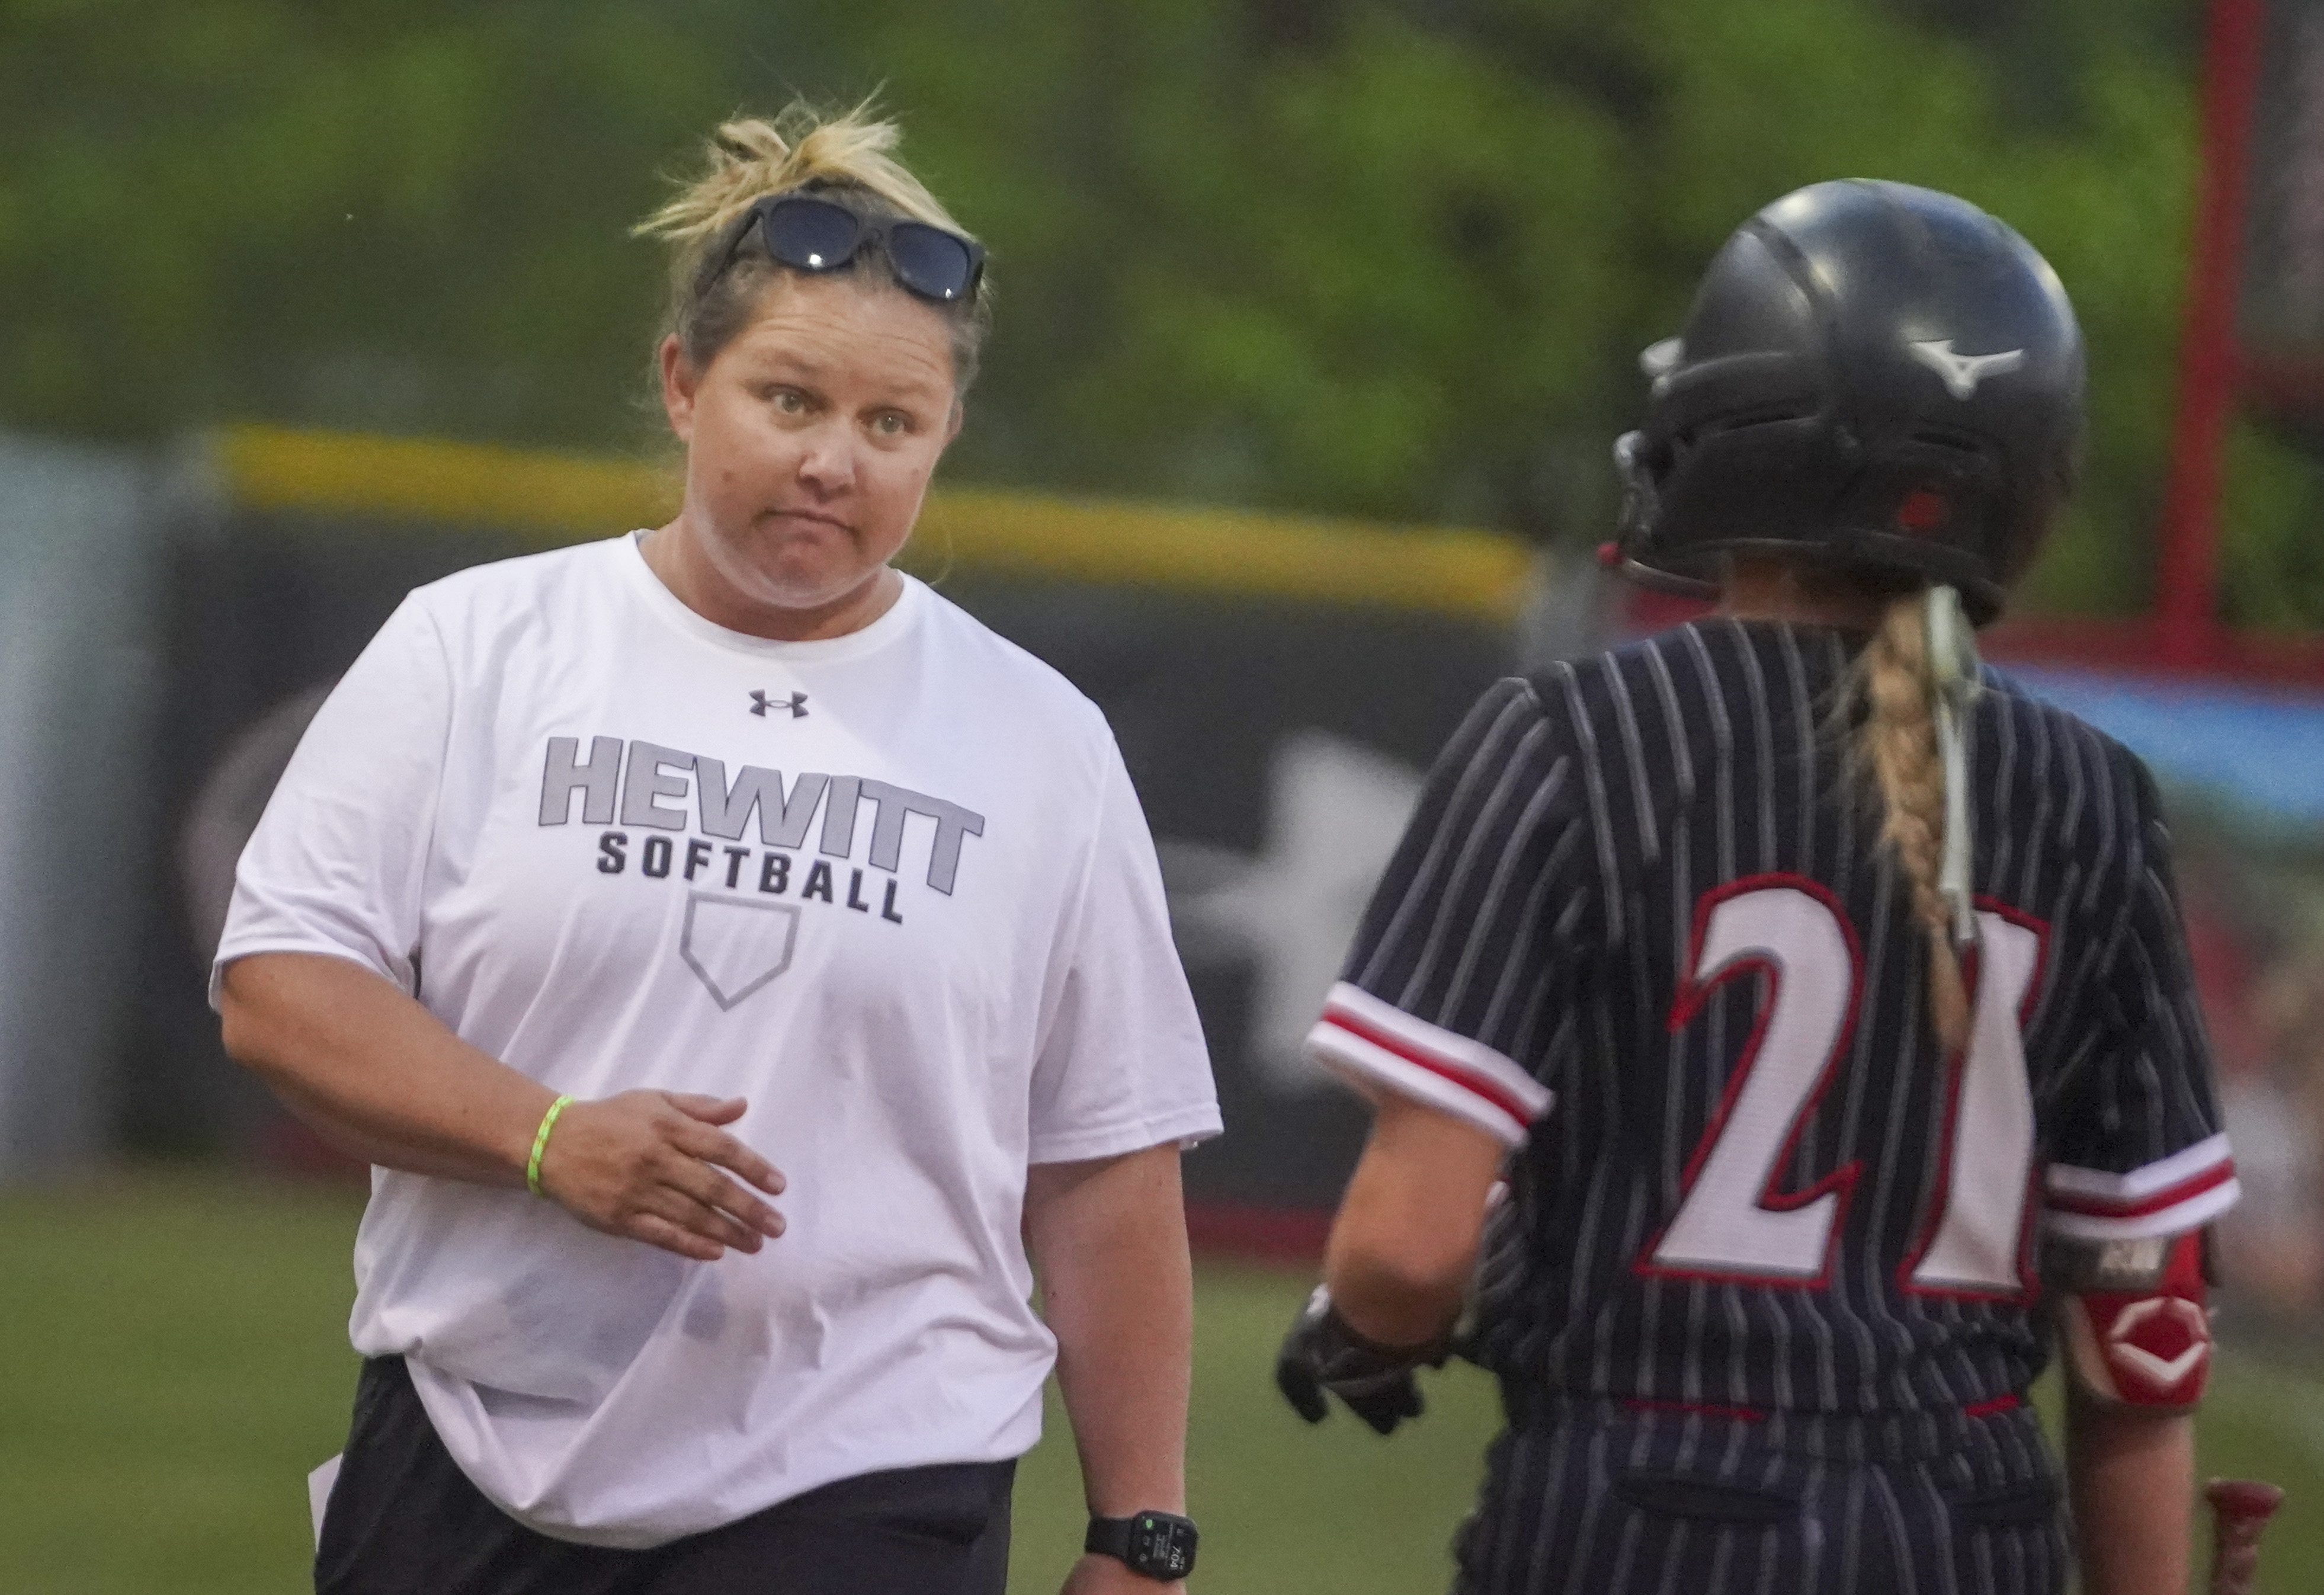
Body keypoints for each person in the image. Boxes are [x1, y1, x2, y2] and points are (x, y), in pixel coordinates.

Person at [216, 103, 1218, 1595]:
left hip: (867, 1476)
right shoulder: (480, 644)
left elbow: (1103, 1162)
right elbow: (281, 988)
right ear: (684, 384)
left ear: (945, 437)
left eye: (891, 424)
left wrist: (1141, 1533)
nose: (833, 461)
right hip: (468, 1460)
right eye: (790, 398)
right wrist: (551, 1138)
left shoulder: (1040, 738)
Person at [1274, 180, 2238, 1595]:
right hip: (1969, 1536)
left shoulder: (1575, 738)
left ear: (1732, 437)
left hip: (1631, 1520)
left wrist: (1369, 1322)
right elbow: (2140, 1335)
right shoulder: (2096, 799)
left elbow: (1407, 1252)